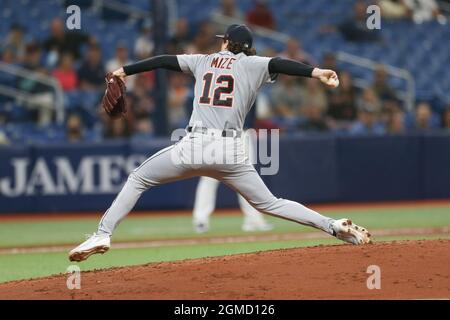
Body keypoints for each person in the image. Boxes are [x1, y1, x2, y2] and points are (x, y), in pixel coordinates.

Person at [69, 24, 371, 262]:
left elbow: (163, 60)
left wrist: (125, 70)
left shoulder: (204, 60)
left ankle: (103, 234)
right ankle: (333, 226)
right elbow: (281, 62)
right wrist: (317, 72)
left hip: (195, 145)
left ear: (226, 42)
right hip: (231, 151)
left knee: (138, 179)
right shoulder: (253, 65)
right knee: (269, 203)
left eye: (222, 40)